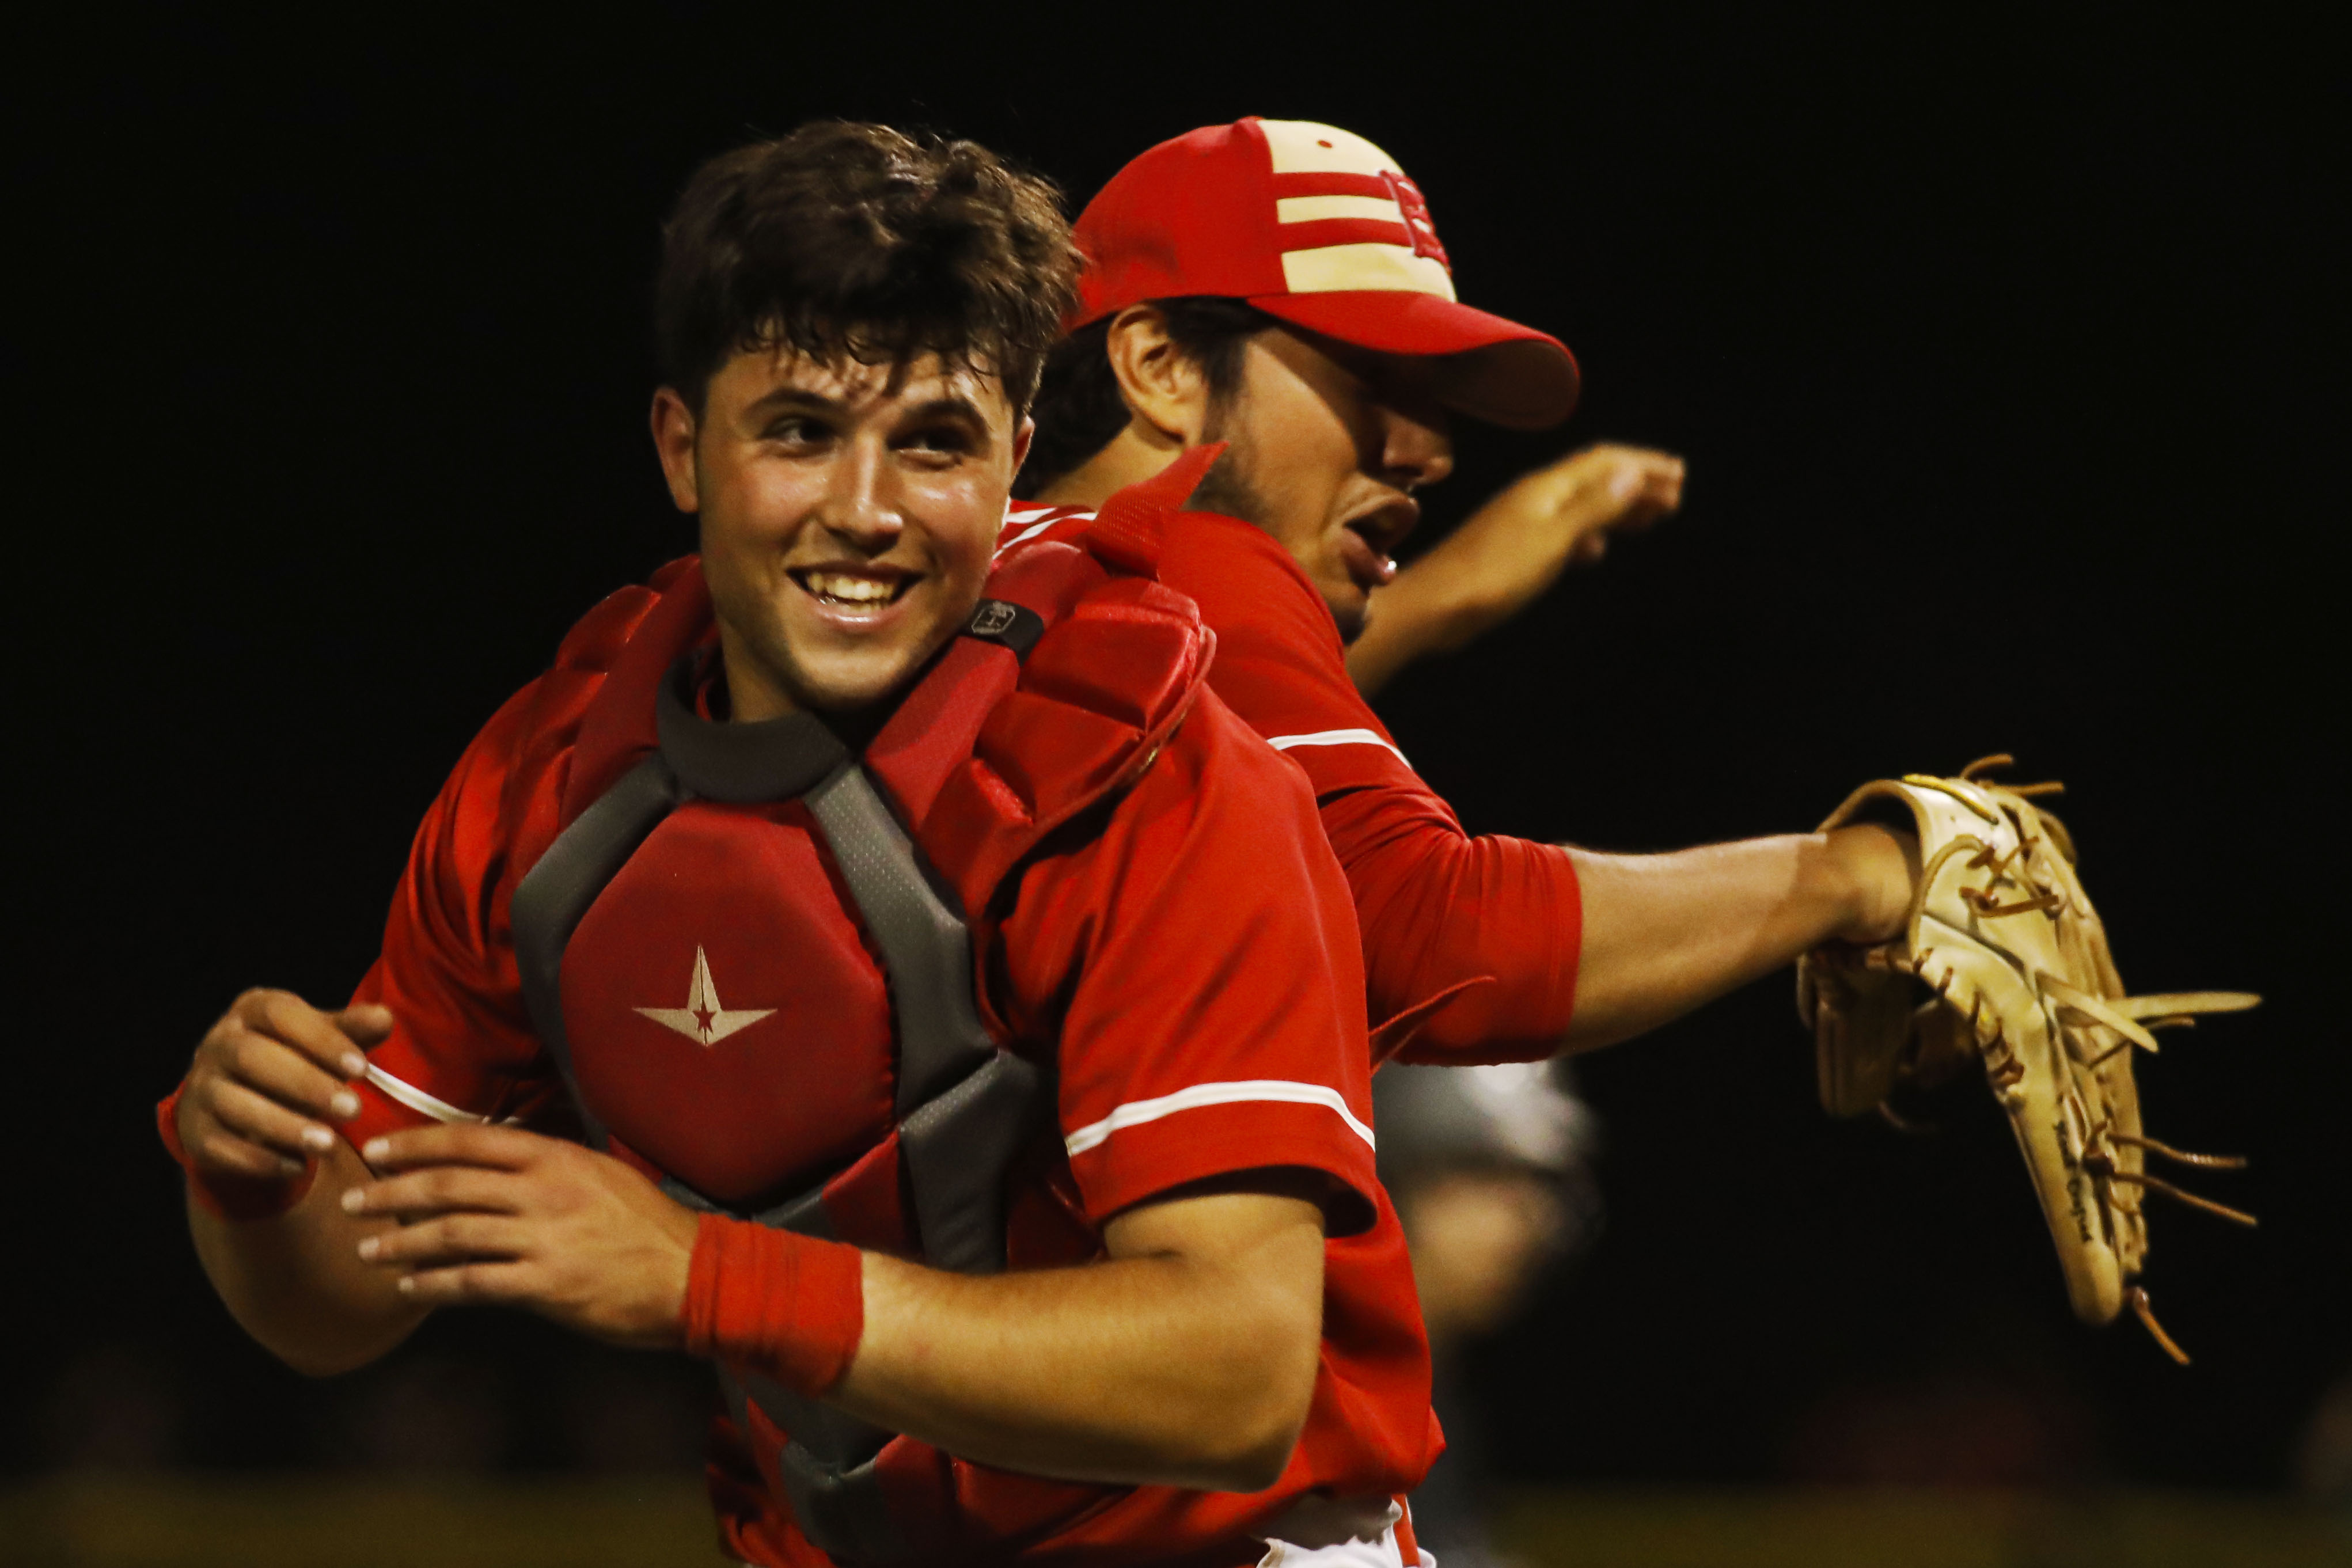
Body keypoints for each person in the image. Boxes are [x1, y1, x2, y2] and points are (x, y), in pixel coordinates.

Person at [158, 122, 1440, 1568]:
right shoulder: (555, 779)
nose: (865, 511)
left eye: (933, 443)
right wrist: (251, 1180)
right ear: (680, 449)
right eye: (799, 431)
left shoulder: (1155, 777)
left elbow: (1235, 1374)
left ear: (1017, 458)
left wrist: (707, 1279)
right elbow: (338, 1302)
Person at [1011, 117, 1920, 1066]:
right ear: (1162, 366)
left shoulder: (1011, 583)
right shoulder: (1188, 561)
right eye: (1370, 374)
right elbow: (1429, 939)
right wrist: (1856, 875)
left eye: (1432, 394)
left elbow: (1174, 713)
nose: (1428, 451)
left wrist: (1436, 602)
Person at [1371, 1062, 1601, 1565]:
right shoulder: (1331, 1400)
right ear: (1393, 1181)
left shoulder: (1444, 1397)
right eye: (1482, 1174)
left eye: (1534, 1184)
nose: (1526, 1220)